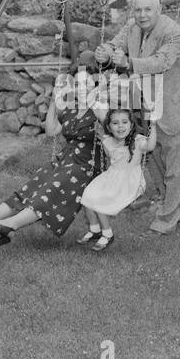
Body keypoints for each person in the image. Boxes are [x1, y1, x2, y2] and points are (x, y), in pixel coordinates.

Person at [94, 0, 180, 234]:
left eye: (148, 9)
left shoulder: (174, 33)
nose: (142, 15)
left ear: (159, 9)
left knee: (175, 169)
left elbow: (161, 62)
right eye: (138, 9)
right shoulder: (132, 26)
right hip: (147, 110)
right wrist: (105, 51)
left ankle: (166, 219)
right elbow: (115, 43)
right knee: (155, 164)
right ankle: (179, 208)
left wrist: (128, 63)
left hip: (175, 110)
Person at [0, 68, 108, 246]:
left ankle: (9, 225)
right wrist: (54, 101)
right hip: (65, 159)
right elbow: (51, 131)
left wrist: (97, 102)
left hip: (87, 164)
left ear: (94, 85)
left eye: (86, 83)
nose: (82, 88)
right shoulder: (70, 109)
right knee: (33, 185)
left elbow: (111, 129)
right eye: (78, 84)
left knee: (50, 191)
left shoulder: (100, 107)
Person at [77, 100, 157, 251]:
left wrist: (153, 125)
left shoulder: (138, 141)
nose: (120, 126)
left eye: (124, 122)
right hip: (112, 176)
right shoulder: (109, 141)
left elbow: (151, 146)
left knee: (99, 200)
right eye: (115, 123)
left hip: (129, 181)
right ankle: (95, 229)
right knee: (87, 194)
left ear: (131, 125)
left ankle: (107, 234)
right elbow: (110, 156)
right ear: (109, 127)